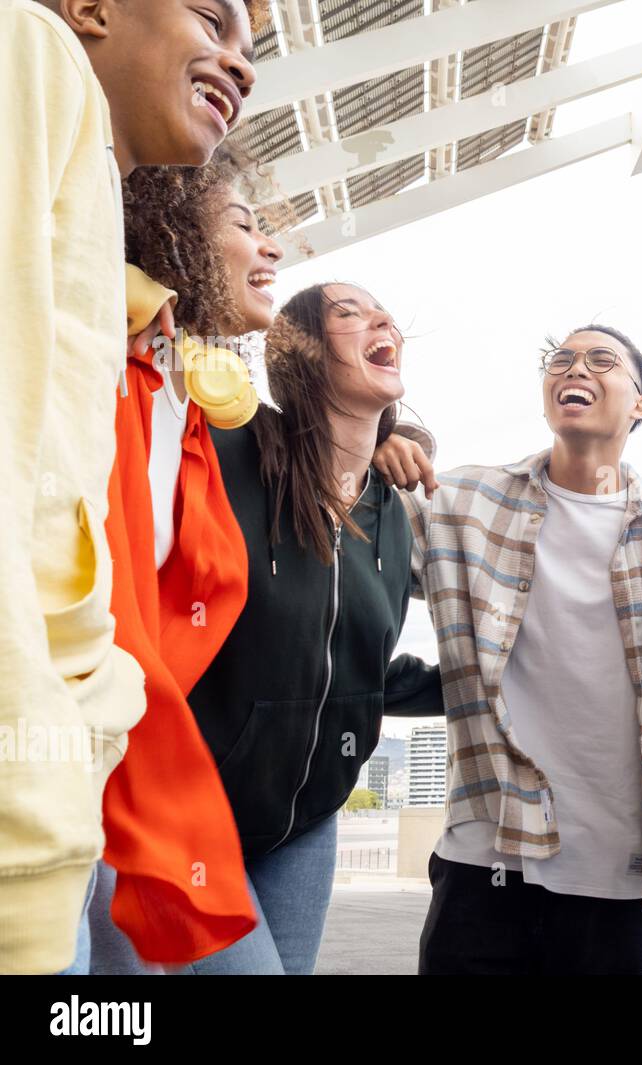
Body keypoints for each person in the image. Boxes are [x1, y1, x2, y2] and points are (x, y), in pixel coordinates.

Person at [0, 0, 259, 974]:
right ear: (92, 9)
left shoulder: (89, 178)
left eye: (253, 48)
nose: (240, 65)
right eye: (211, 17)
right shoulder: (26, 48)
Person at [387, 326, 642, 975]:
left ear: (639, 403)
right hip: (485, 861)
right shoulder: (463, 504)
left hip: (619, 877)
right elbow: (347, 532)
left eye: (602, 360)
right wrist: (381, 444)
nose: (576, 367)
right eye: (561, 360)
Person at [182, 283, 443, 974]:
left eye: (382, 309)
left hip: (307, 823)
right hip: (192, 810)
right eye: (348, 313)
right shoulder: (232, 450)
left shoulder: (389, 508)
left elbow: (356, 669)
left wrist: (472, 684)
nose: (382, 317)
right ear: (299, 352)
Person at [87, 151, 283, 973]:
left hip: (120, 775)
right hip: (76, 774)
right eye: (245, 224)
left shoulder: (186, 404)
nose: (270, 250)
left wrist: (395, 436)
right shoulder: (101, 364)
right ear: (170, 235)